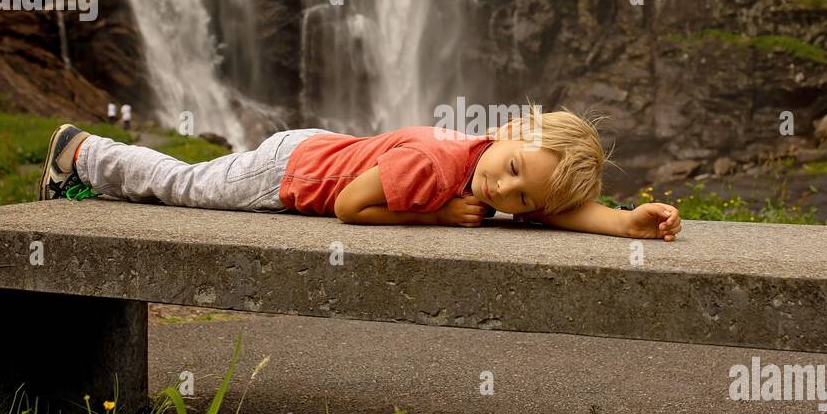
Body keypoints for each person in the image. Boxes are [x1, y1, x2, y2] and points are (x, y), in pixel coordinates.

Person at [36, 108, 681, 240]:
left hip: (320, 147)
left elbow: (555, 207)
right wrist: (434, 215)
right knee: (183, 185)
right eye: (512, 172)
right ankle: (79, 152)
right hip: (287, 174)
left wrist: (629, 224)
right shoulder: (434, 167)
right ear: (509, 130)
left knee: (183, 183)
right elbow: (347, 207)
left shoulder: (502, 160)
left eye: (521, 197)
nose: (502, 193)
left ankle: (86, 173)